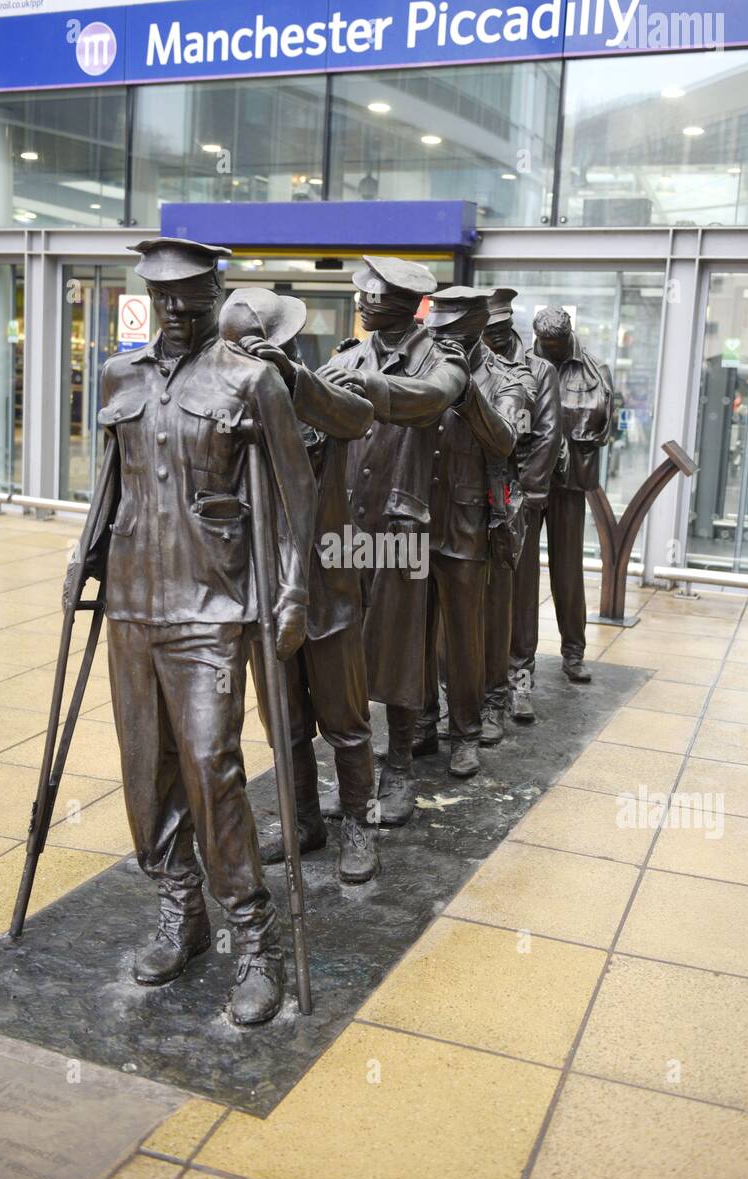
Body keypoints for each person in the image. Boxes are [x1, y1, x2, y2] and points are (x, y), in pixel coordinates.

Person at [64, 238, 318, 1027]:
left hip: (212, 607)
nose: (177, 310)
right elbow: (111, 483)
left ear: (215, 293)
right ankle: (183, 911)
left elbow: (296, 490)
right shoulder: (119, 377)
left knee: (212, 768)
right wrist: (83, 556)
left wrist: (294, 590)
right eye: (163, 296)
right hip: (133, 604)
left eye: (192, 296)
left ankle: (254, 938)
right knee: (147, 774)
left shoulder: (252, 379)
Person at [221, 285, 380, 885]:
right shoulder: (229, 404)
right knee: (283, 723)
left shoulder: (323, 388)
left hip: (327, 583)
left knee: (345, 718)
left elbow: (358, 418)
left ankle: (358, 824)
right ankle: (302, 820)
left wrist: (291, 377)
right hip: (263, 586)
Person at [317, 255, 471, 827]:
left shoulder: (441, 356)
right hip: (348, 524)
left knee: (402, 647)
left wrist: (370, 385)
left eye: (372, 296)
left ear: (403, 302)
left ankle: (401, 766)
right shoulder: (347, 356)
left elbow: (431, 399)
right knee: (345, 649)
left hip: (402, 522)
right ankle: (353, 773)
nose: (361, 303)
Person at [414, 286, 532, 771]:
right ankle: (421, 719)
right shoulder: (421, 367)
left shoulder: (508, 378)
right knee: (414, 631)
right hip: (417, 519)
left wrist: (465, 391)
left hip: (469, 520)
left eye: (449, 334)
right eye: (434, 332)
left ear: (475, 332)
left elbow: (505, 440)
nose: (438, 341)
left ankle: (464, 730)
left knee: (464, 635)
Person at [512, 305, 613, 691]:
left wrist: (562, 433)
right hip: (529, 478)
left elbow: (603, 425)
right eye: (544, 343)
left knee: (568, 570)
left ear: (568, 337)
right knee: (523, 574)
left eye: (556, 343)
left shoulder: (594, 370)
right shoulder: (525, 366)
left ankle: (574, 651)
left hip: (569, 483)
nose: (549, 349)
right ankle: (521, 660)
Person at [483, 289, 564, 725]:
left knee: (520, 589)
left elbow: (548, 435)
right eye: (486, 331)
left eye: (498, 329)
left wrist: (525, 496)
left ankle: (520, 676)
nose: (493, 338)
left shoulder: (539, 370)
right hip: (476, 493)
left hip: (517, 496)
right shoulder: (472, 365)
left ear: (509, 325)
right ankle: (479, 680)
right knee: (476, 592)